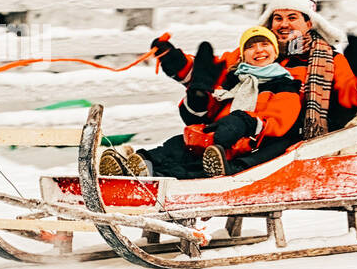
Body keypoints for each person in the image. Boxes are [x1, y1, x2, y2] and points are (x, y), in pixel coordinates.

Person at [100, 27, 303, 178]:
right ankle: (137, 165)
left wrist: (244, 122)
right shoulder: (233, 81)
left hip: (250, 144)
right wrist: (198, 97)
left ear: (275, 52)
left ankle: (154, 176)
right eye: (251, 46)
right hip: (215, 138)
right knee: (178, 145)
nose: (258, 50)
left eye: (264, 44)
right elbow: (204, 112)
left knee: (194, 165)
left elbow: (281, 119)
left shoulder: (283, 84)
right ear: (243, 55)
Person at [257, 0, 357, 138]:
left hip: (295, 139)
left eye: (292, 18)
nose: (284, 24)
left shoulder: (330, 60)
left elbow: (355, 96)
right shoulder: (254, 54)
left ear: (309, 23)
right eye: (278, 18)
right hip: (247, 130)